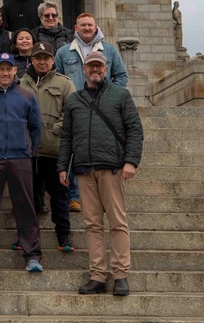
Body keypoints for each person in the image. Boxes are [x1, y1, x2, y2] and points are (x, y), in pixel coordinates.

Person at [58, 50, 143, 296]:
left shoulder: (120, 95)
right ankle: (97, 275)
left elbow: (135, 130)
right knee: (92, 225)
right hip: (84, 170)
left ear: (105, 69)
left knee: (117, 222)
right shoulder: (75, 100)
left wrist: (131, 161)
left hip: (112, 168)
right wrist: (63, 166)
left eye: (99, 66)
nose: (95, 70)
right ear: (83, 69)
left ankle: (120, 275)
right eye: (91, 66)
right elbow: (67, 137)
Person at [0, 53, 43, 273]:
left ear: (15, 71)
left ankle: (32, 256)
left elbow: (36, 127)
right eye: (1, 69)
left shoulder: (27, 96)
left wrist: (27, 149)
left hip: (20, 158)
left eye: (9, 69)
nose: (5, 73)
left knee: (25, 208)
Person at [19, 41, 76, 252]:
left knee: (59, 198)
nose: (42, 62)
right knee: (28, 199)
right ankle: (25, 238)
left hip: (54, 150)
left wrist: (54, 129)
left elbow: (71, 112)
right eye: (38, 58)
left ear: (53, 60)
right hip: (28, 152)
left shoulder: (64, 83)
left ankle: (64, 236)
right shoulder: (20, 84)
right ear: (31, 60)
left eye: (46, 58)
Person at [54, 13, 128, 90]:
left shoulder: (110, 50)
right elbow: (56, 79)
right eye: (83, 25)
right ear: (76, 28)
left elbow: (121, 76)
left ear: (95, 27)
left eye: (90, 25)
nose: (87, 28)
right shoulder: (63, 52)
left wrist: (111, 96)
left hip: (103, 101)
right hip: (74, 101)